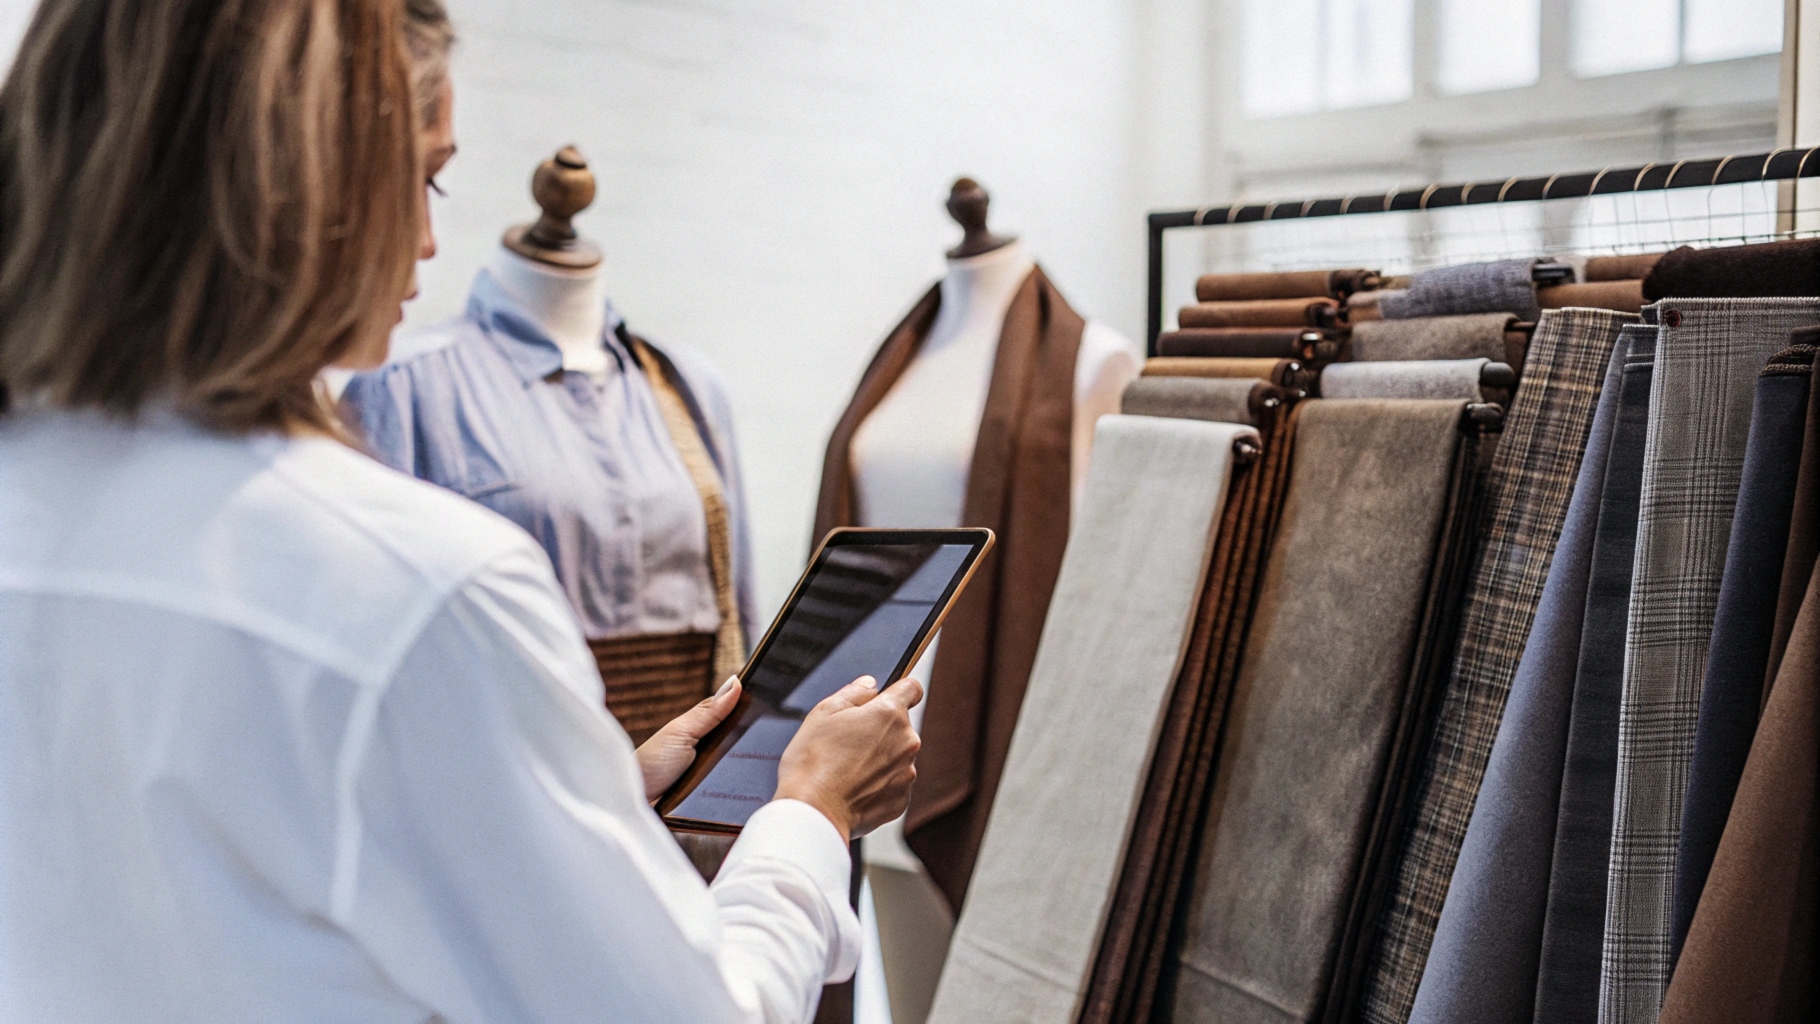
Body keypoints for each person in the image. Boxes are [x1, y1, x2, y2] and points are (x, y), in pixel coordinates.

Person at [0, 1, 920, 1022]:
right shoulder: (415, 586)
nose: (433, 242)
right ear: (304, 180)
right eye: (425, 176)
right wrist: (804, 815)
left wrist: (592, 795)